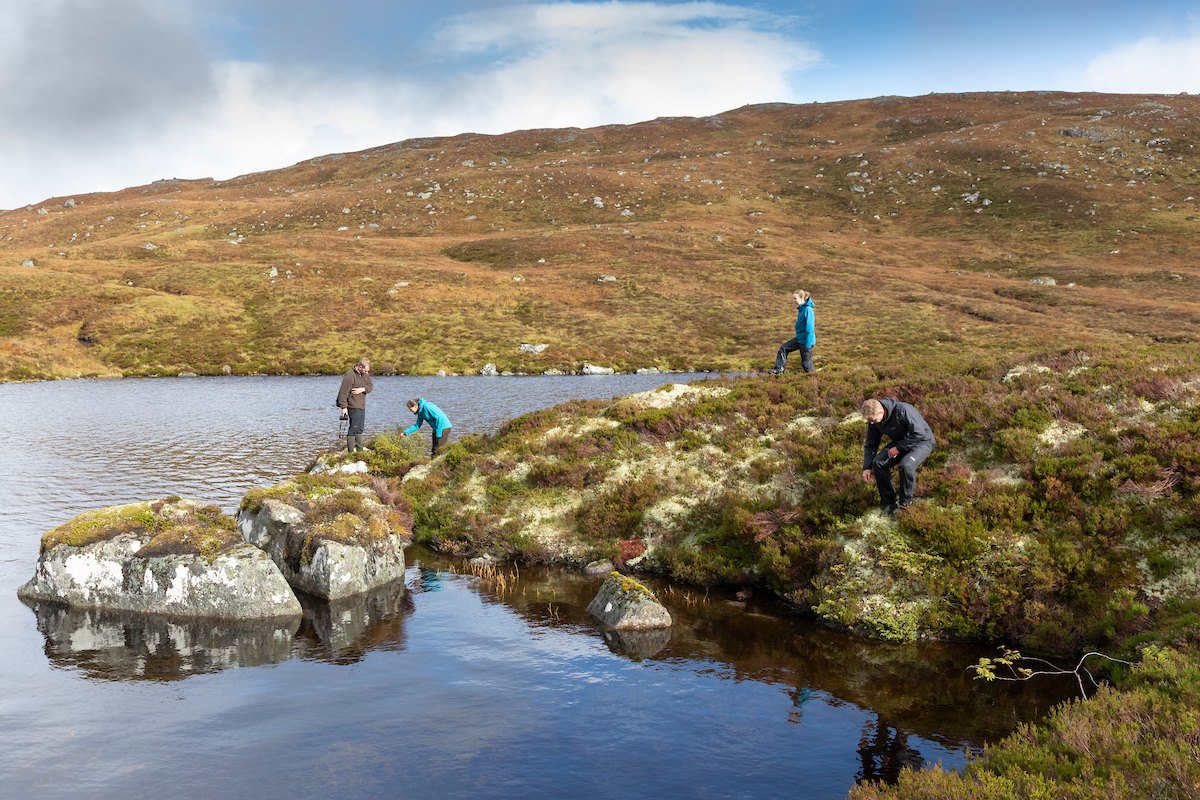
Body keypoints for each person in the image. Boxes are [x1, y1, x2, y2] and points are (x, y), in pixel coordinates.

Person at [860, 398, 935, 515]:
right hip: (900, 442)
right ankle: (888, 503)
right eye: (870, 421)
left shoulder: (903, 410)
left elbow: (919, 433)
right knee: (878, 463)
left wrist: (899, 448)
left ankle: (905, 504)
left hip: (922, 441)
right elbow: (871, 444)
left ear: (881, 412)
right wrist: (867, 467)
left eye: (873, 420)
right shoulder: (874, 422)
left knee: (906, 466)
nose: (872, 423)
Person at [768, 289, 815, 374]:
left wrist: (808, 343)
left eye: (795, 298)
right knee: (783, 348)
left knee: (806, 364)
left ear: (801, 298)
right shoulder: (802, 309)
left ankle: (814, 379)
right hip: (799, 339)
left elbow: (810, 327)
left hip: (806, 341)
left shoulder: (808, 309)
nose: (794, 301)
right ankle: (779, 370)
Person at [336, 357, 373, 452]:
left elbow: (370, 386)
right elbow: (343, 392)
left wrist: (363, 389)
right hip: (352, 406)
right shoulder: (349, 375)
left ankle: (360, 450)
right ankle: (351, 452)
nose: (367, 373)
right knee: (353, 428)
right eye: (365, 371)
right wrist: (344, 407)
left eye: (368, 371)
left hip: (361, 405)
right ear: (360, 367)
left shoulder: (365, 375)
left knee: (360, 428)